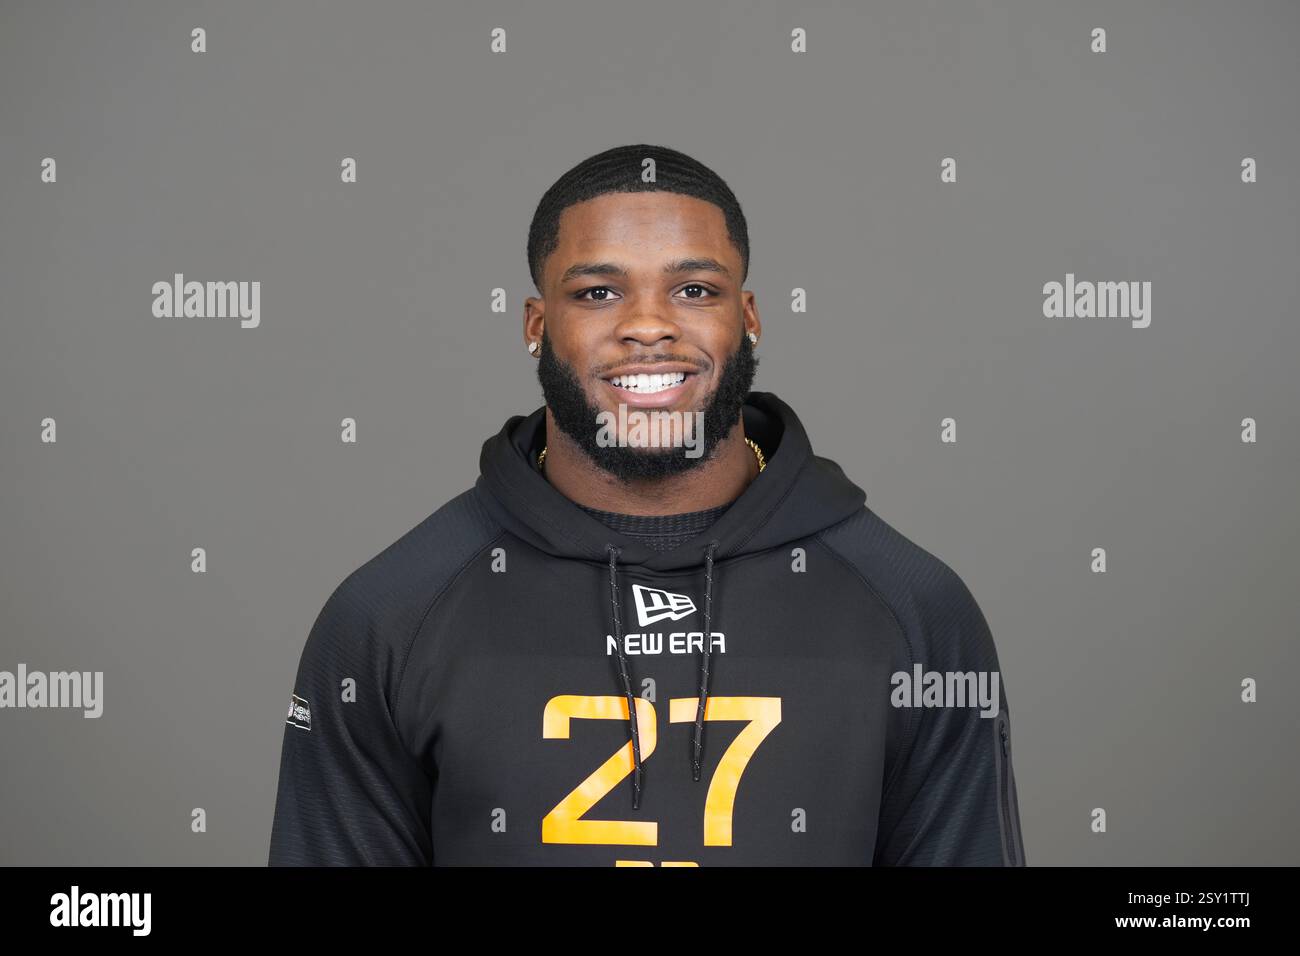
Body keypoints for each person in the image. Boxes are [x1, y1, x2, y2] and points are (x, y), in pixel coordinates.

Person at [268, 143, 1026, 866]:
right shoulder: (389, 617)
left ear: (749, 315)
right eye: (598, 292)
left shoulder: (914, 611)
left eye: (694, 289)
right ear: (537, 326)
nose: (648, 324)